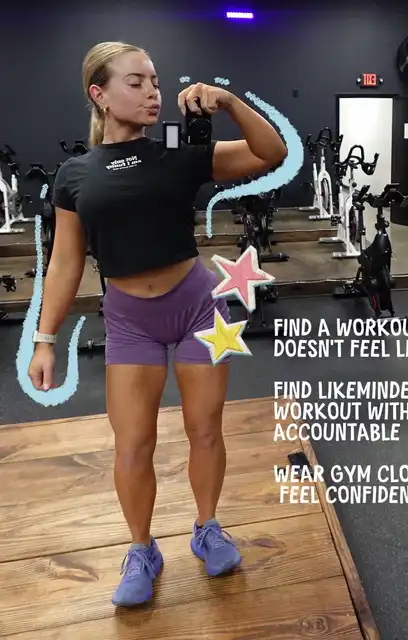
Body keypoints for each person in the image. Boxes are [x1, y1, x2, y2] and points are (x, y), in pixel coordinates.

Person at [27, 41, 287, 607]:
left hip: (197, 309)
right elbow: (66, 262)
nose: (153, 93)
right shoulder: (75, 175)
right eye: (137, 82)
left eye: (155, 82)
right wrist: (44, 340)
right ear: (99, 94)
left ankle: (207, 527)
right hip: (130, 322)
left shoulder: (175, 151)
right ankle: (142, 549)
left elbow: (272, 151)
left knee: (206, 429)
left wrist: (227, 101)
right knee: (132, 444)